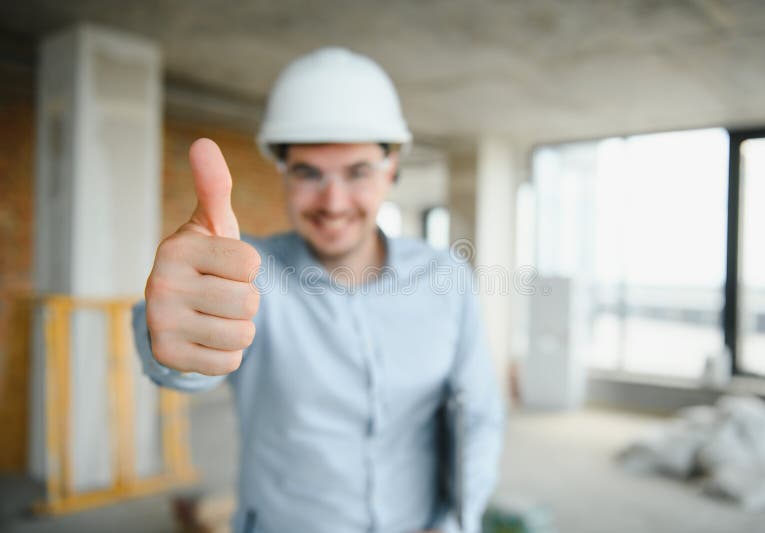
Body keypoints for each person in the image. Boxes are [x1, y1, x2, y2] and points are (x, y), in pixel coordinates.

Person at [132, 47, 503, 533]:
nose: (333, 202)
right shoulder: (250, 272)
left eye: (358, 171)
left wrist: (456, 522)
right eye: (309, 172)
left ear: (392, 169)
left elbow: (478, 418)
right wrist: (175, 343)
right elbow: (182, 346)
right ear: (283, 173)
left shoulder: (447, 278)